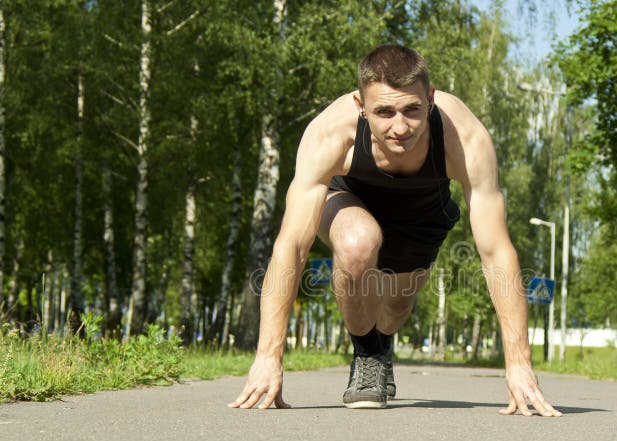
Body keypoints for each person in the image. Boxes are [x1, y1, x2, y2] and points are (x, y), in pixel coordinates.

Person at [229, 44, 561, 417]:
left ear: (430, 99)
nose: (400, 127)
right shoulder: (331, 133)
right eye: (384, 112)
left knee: (399, 303)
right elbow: (291, 246)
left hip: (423, 213)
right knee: (358, 243)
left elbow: (496, 251)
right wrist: (268, 356)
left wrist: (518, 363)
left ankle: (382, 340)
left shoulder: (464, 137)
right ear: (360, 105)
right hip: (349, 199)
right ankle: (368, 354)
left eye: (412, 110)